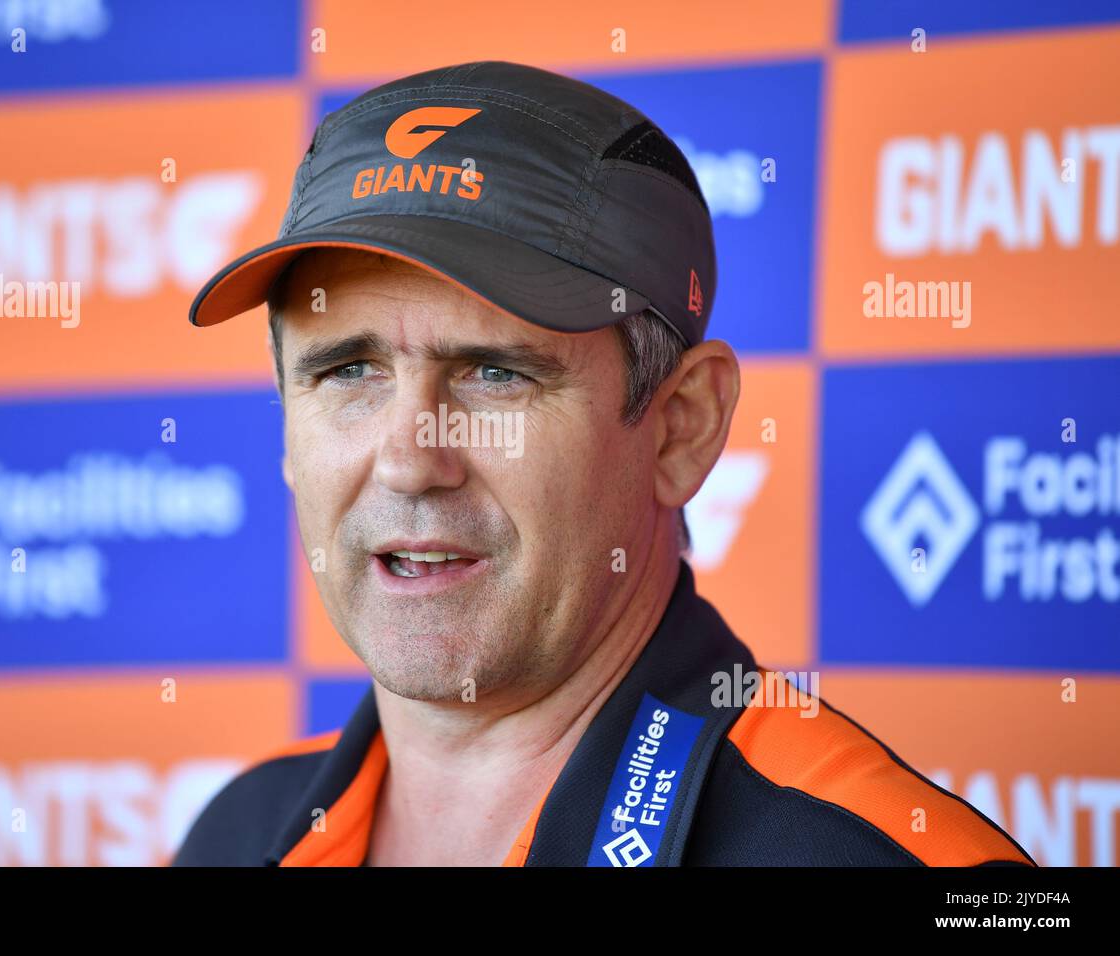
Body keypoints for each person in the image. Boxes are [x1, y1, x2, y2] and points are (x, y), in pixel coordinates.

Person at [173, 61, 1033, 867]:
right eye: (347, 371)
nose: (408, 461)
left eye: (495, 373)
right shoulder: (236, 833)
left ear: (681, 430)